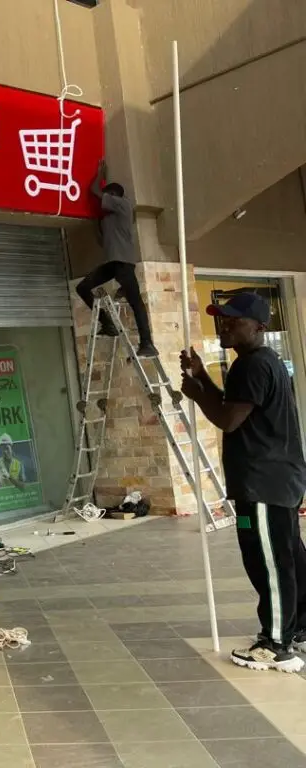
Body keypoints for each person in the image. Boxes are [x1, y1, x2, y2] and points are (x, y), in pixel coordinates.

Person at [180, 292, 306, 672]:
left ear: (259, 327)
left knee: (269, 563)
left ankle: (276, 645)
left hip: (263, 484)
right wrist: (203, 377)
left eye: (234, 319)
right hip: (272, 481)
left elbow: (227, 419)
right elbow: (235, 406)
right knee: (288, 558)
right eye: (222, 317)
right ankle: (296, 625)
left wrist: (197, 395)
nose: (226, 324)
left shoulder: (252, 366)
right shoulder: (256, 364)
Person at [76, 160, 157, 359]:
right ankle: (108, 323)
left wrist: (99, 177)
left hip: (124, 263)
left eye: (109, 196)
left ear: (115, 197)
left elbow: (94, 190)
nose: (106, 200)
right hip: (112, 264)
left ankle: (147, 343)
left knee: (135, 301)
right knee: (82, 288)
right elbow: (103, 242)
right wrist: (95, 220)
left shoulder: (124, 205)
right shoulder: (108, 220)